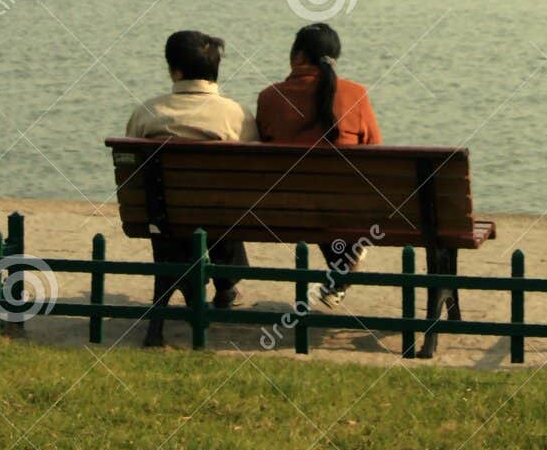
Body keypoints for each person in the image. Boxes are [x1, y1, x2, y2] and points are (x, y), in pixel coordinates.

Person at [125, 29, 257, 345]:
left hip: (163, 219)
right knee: (223, 204)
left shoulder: (147, 112)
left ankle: (184, 291)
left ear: (176, 70)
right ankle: (226, 285)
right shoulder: (237, 115)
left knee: (174, 211)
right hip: (219, 221)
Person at [256, 22, 381, 305]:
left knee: (314, 193)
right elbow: (375, 153)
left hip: (280, 211)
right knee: (333, 193)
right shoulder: (355, 94)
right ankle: (346, 264)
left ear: (298, 56)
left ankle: (342, 270)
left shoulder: (268, 97)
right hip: (341, 208)